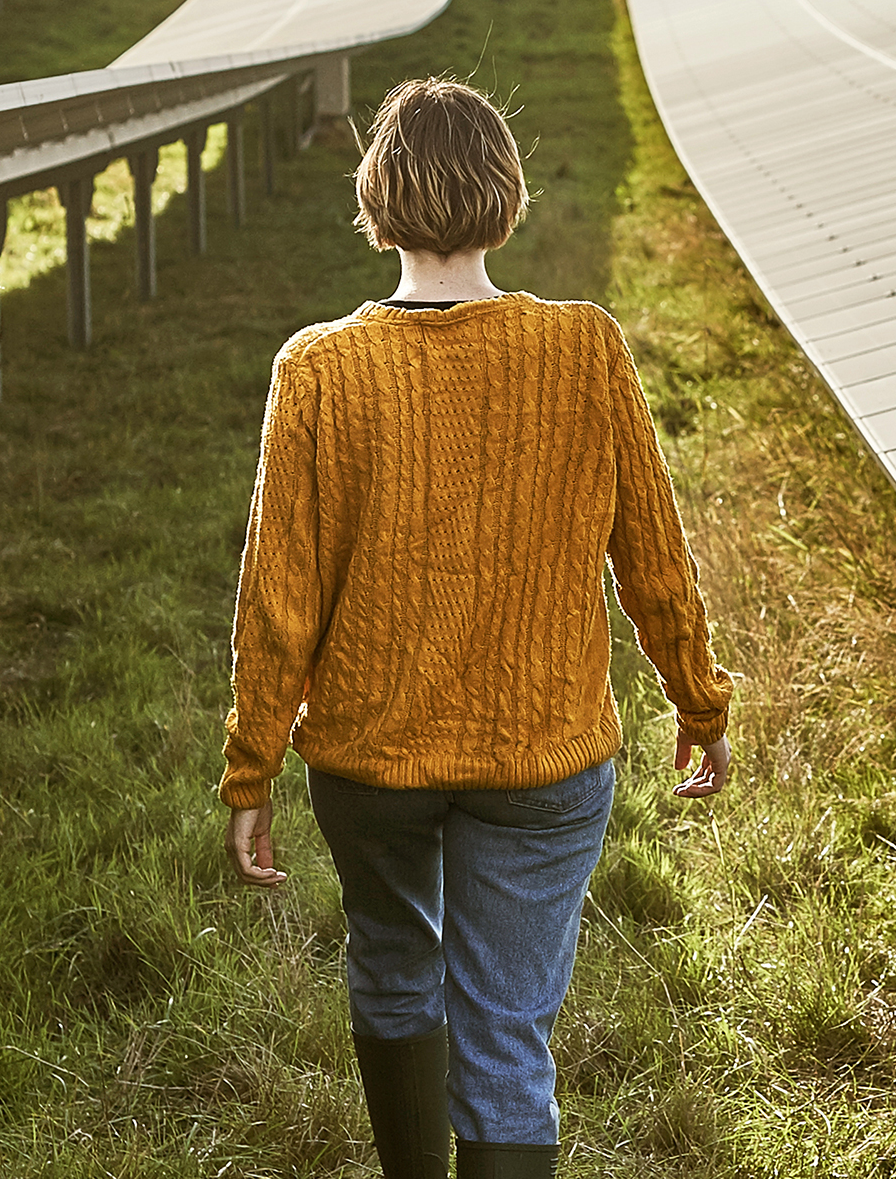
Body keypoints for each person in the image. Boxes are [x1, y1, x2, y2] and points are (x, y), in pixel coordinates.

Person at [224, 76, 735, 1179]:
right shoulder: (585, 348)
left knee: (396, 968)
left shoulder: (318, 369)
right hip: (543, 753)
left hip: (371, 756)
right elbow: (653, 549)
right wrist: (698, 699)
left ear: (379, 202)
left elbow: (279, 595)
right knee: (508, 1037)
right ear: (507, 199)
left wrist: (252, 767)